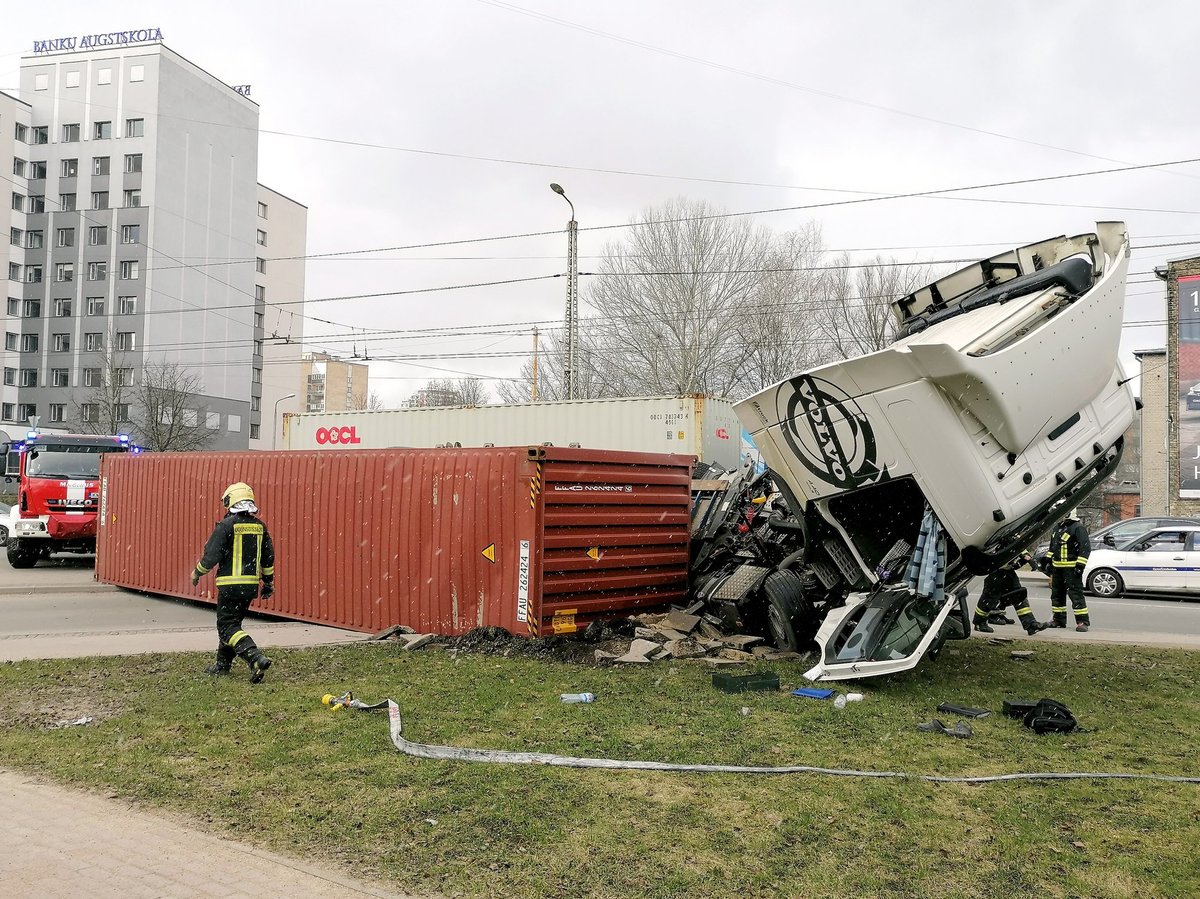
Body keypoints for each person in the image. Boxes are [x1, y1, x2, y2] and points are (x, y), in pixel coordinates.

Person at [191, 482, 275, 681]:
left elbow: (211, 555)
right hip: (250, 586)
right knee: (233, 624)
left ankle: (255, 657)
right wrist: (268, 583)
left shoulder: (226, 525)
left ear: (231, 501)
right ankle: (223, 665)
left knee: (227, 627)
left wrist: (197, 573)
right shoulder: (260, 527)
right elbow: (268, 558)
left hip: (230, 585)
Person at [973, 551, 1049, 635]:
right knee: (989, 598)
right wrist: (1021, 562)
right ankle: (979, 622)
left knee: (1019, 595)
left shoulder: (1011, 538)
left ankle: (1031, 624)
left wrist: (1027, 557)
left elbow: (1020, 547)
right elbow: (1004, 560)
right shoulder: (998, 540)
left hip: (1008, 572)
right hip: (995, 570)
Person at [1041, 507, 1091, 631]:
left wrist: (1080, 565)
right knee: (1057, 595)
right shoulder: (1058, 528)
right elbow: (1053, 547)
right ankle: (1058, 619)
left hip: (1071, 569)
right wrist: (1048, 561)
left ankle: (1082, 622)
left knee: (1076, 595)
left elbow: (1085, 548)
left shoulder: (1077, 528)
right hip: (1057, 569)